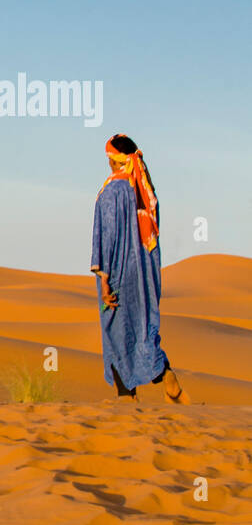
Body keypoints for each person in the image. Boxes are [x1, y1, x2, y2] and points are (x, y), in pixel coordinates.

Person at [90, 134, 188, 403]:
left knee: (115, 330)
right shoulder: (143, 190)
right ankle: (165, 374)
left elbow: (106, 236)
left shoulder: (110, 192)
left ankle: (126, 397)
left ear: (113, 160)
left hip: (118, 271)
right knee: (143, 327)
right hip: (145, 272)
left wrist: (105, 278)